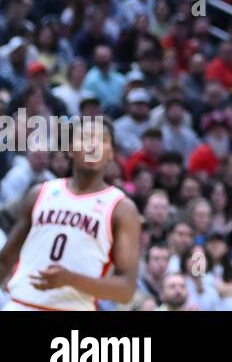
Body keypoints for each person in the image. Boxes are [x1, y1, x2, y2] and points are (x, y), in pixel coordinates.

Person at [0, 122, 142, 310]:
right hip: (21, 305)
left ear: (111, 154)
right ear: (69, 150)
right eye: (84, 139)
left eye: (102, 140)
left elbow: (125, 291)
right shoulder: (40, 193)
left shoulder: (121, 208)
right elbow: (4, 262)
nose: (93, 146)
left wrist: (71, 279)